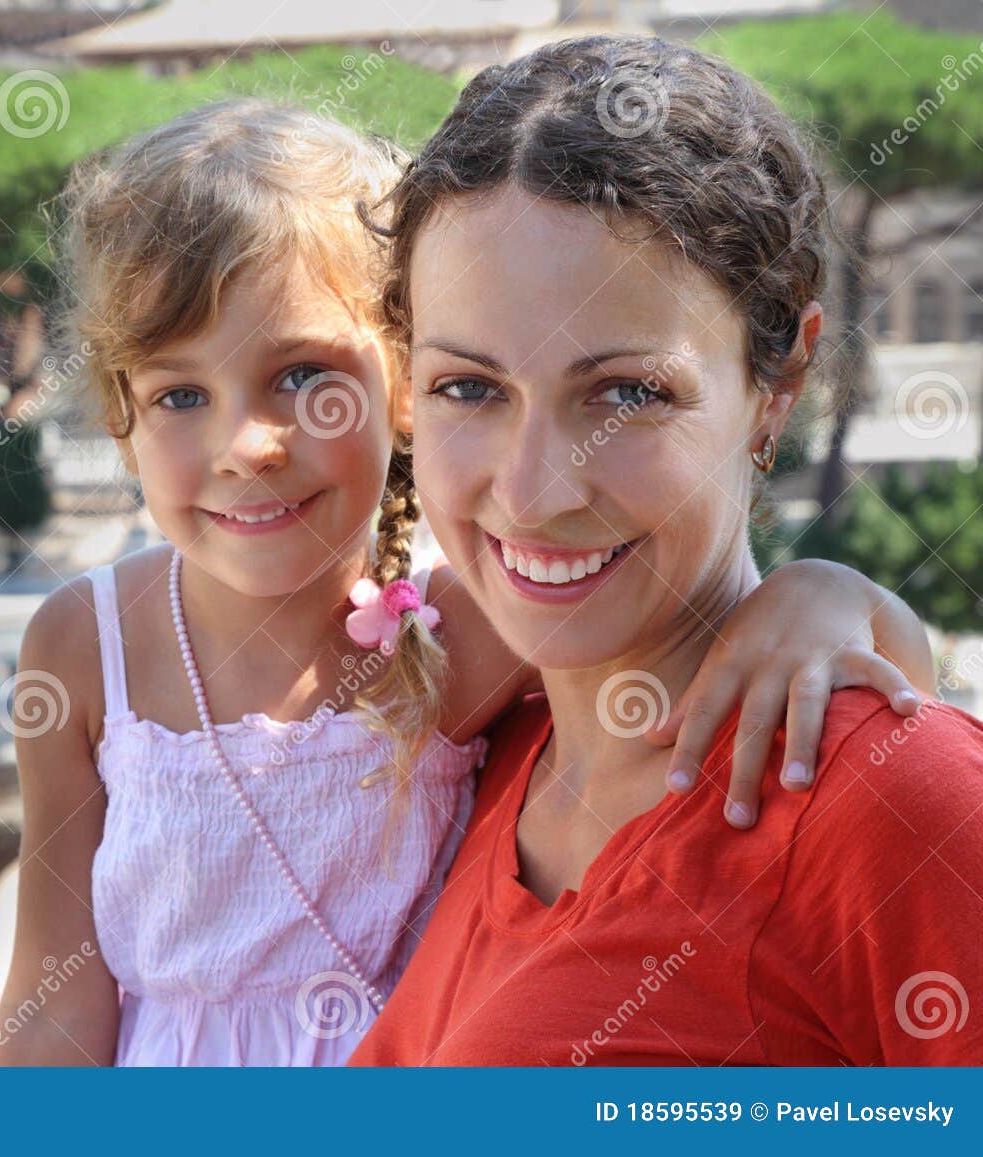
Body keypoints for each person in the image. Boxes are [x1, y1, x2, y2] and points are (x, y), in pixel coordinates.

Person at [0, 99, 934, 1067]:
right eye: (179, 394)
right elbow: (51, 992)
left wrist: (824, 592)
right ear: (120, 415)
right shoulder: (82, 649)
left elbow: (739, 647)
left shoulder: (462, 633)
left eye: (300, 376)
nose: (247, 446)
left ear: (403, 383)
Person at [350, 35, 982, 1066]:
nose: (531, 488)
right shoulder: (471, 754)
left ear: (776, 388)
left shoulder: (888, 796)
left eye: (629, 393)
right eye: (469, 386)